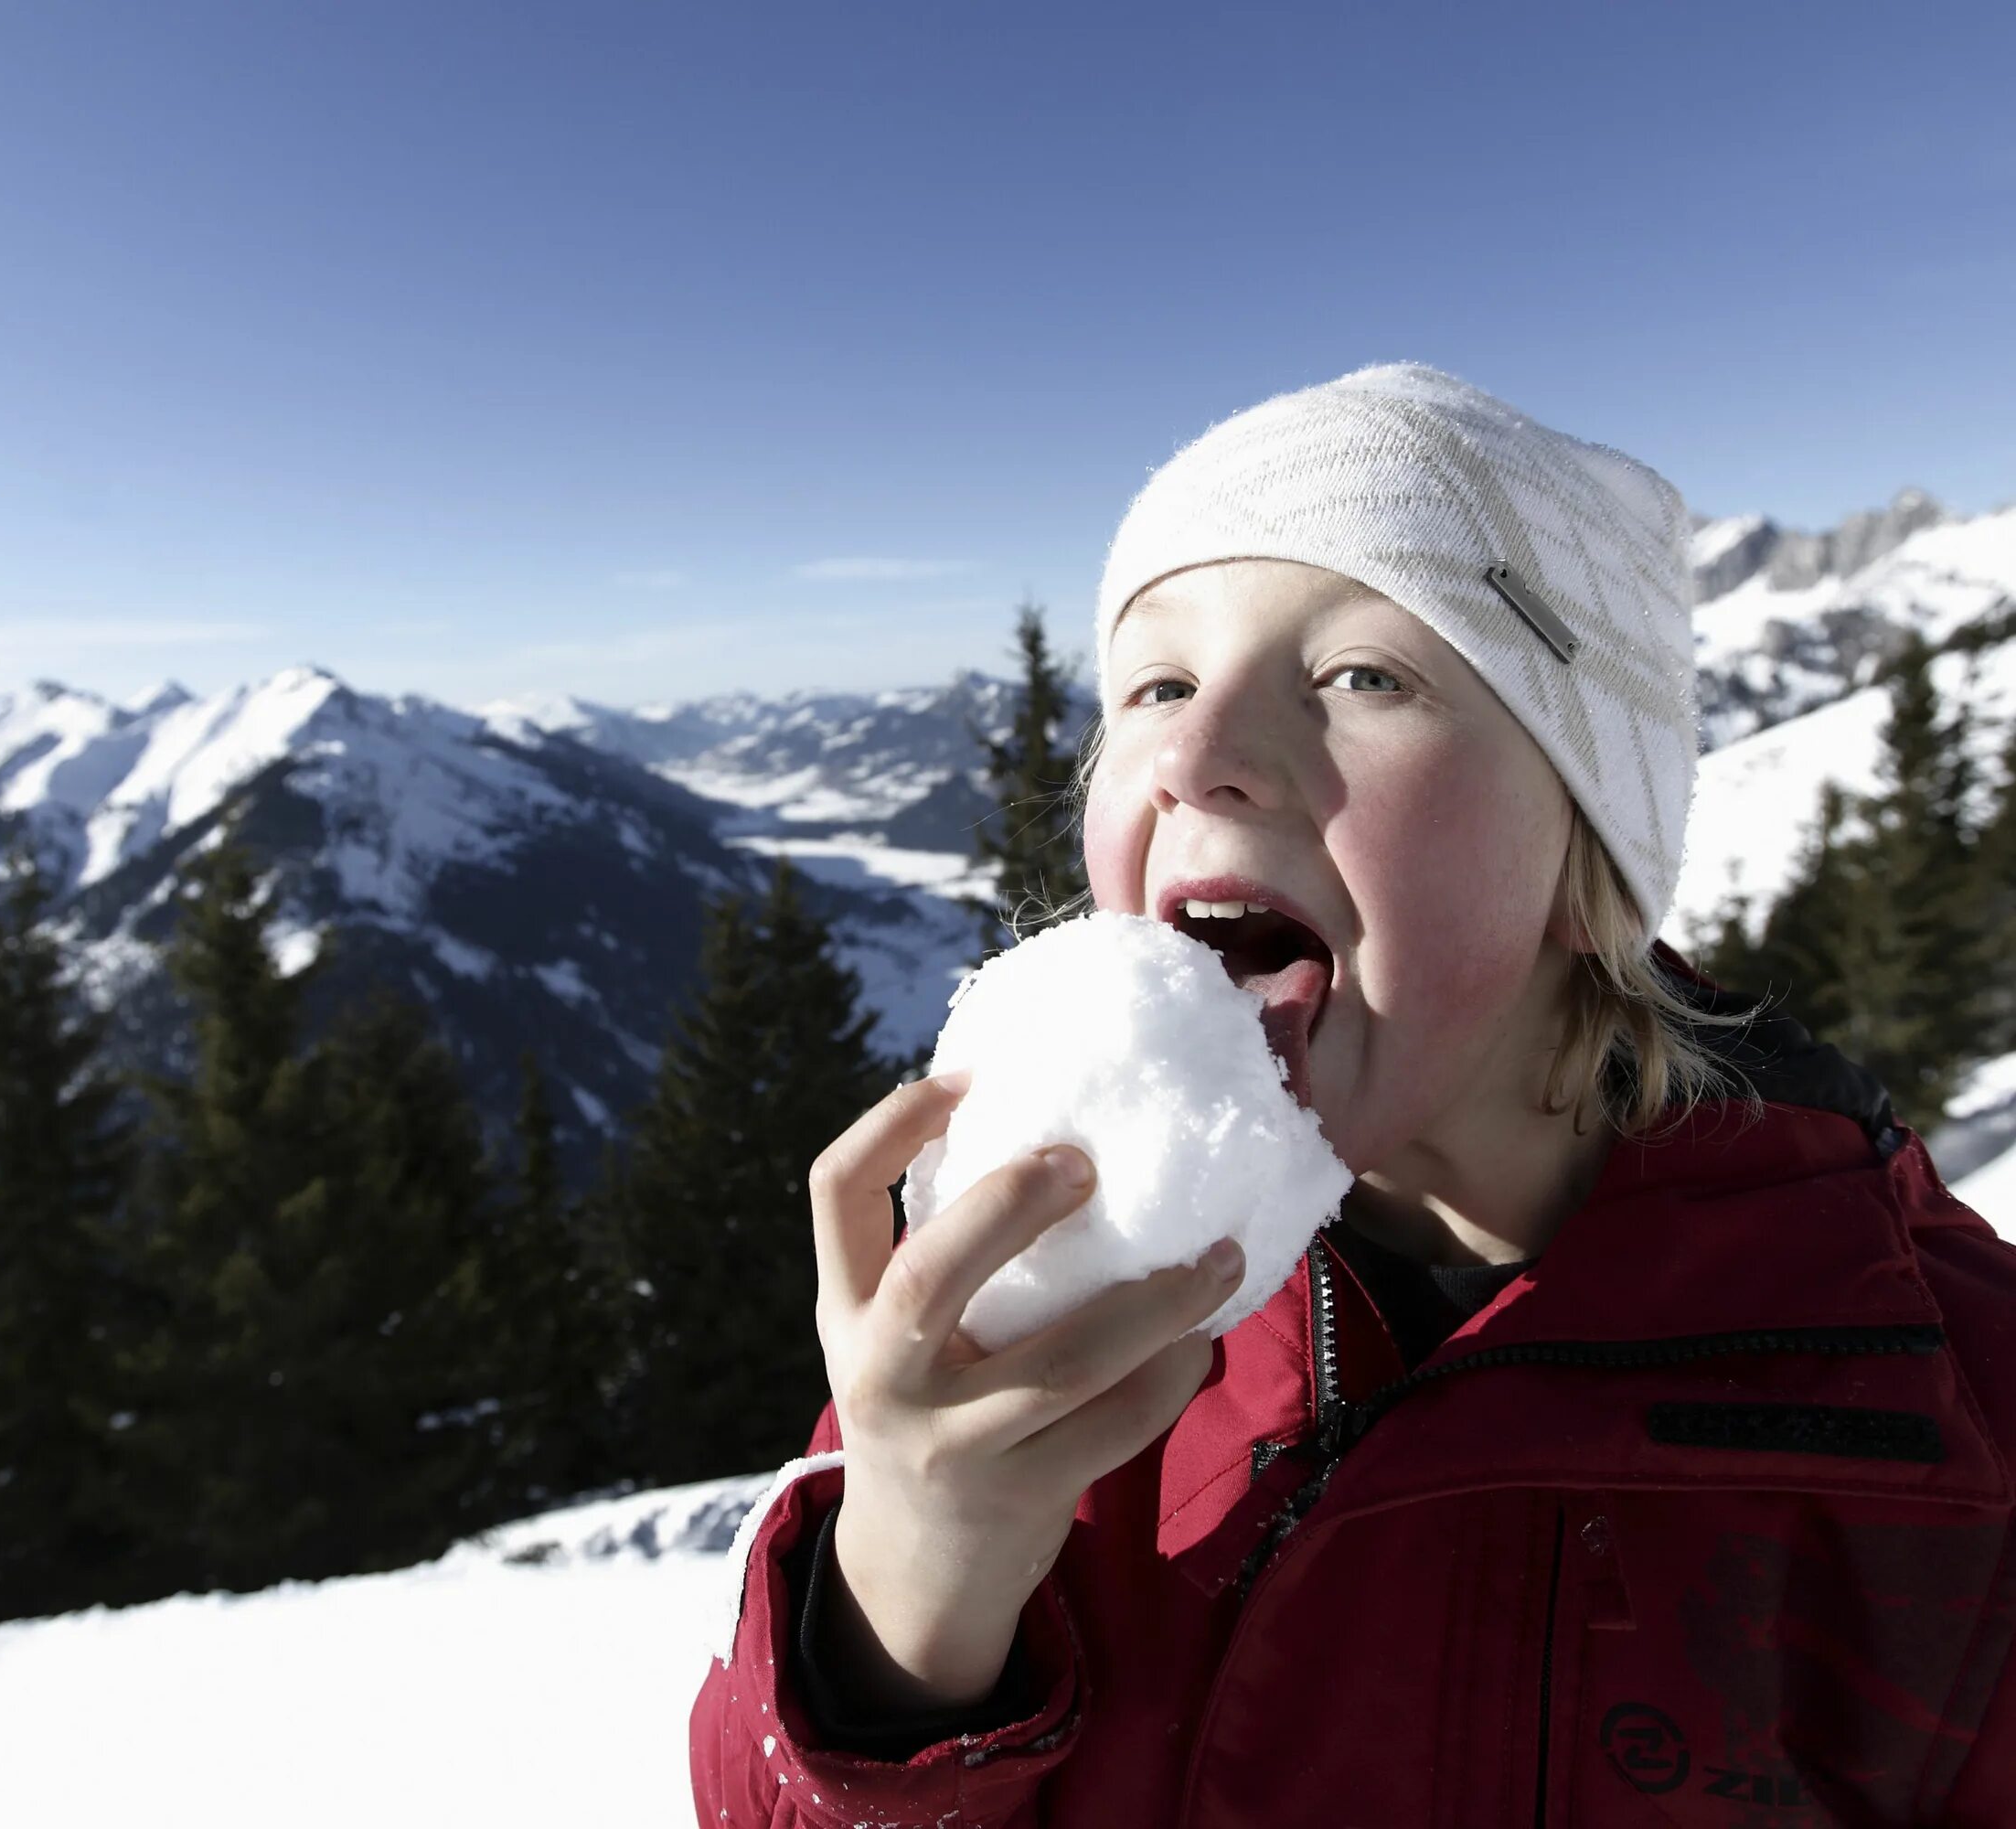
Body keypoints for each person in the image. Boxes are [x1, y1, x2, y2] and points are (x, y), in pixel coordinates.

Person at [688, 363, 2016, 1825]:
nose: (1195, 759)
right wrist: (903, 1589)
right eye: (1159, 685)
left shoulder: (1960, 1417)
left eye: (1364, 675)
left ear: (1592, 863)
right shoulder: (1031, 1309)